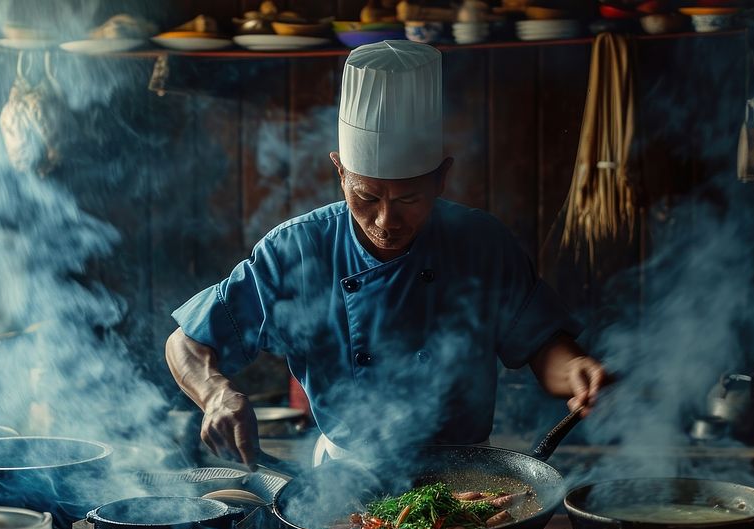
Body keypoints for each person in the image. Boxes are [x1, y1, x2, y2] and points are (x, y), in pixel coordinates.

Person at [166, 40, 607, 470]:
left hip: (469, 473)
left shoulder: (481, 243)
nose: (385, 220)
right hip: (349, 478)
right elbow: (186, 342)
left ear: (441, 178)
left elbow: (542, 344)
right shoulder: (297, 249)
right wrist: (216, 394)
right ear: (341, 172)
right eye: (367, 197)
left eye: (408, 199)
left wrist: (576, 371)